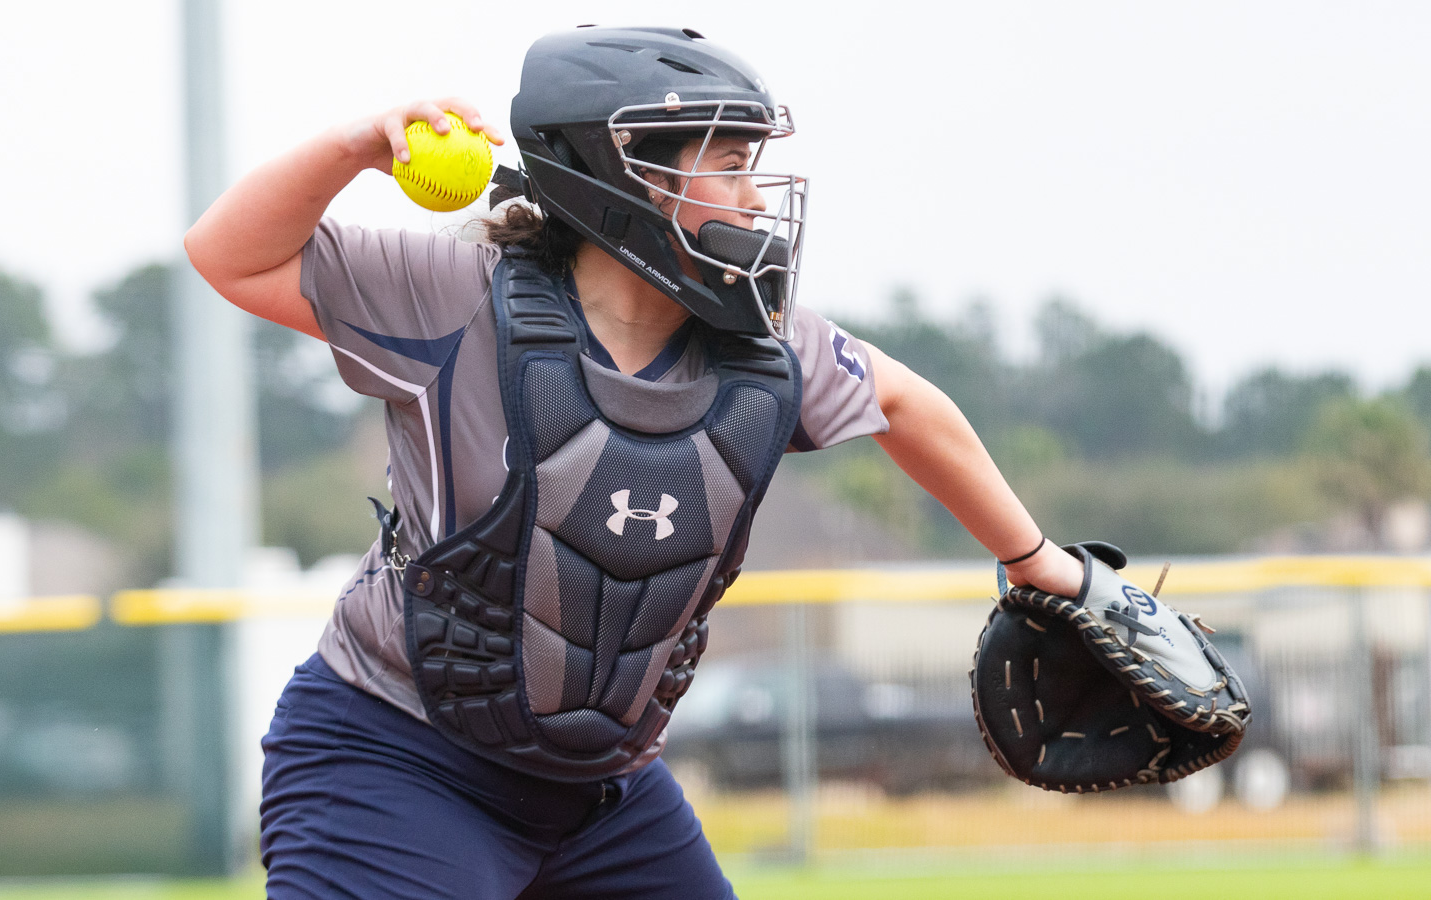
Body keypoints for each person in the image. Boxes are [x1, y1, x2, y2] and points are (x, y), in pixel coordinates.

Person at [186, 25, 1083, 900]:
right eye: (729, 168)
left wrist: (1038, 565)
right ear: (630, 177)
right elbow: (229, 256)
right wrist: (352, 146)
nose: (758, 200)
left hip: (605, 797)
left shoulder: (762, 351)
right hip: (399, 761)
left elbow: (904, 404)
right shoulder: (456, 297)